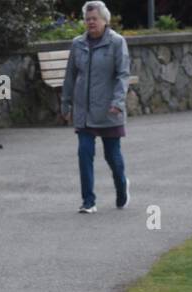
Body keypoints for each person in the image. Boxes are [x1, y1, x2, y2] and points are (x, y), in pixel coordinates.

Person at [61, 1, 131, 214]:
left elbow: (122, 75)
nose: (90, 22)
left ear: (104, 20)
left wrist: (118, 102)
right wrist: (66, 103)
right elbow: (70, 76)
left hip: (109, 110)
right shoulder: (78, 44)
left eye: (94, 18)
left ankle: (122, 189)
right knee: (84, 153)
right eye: (88, 19)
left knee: (113, 157)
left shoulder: (117, 42)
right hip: (84, 111)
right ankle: (88, 201)